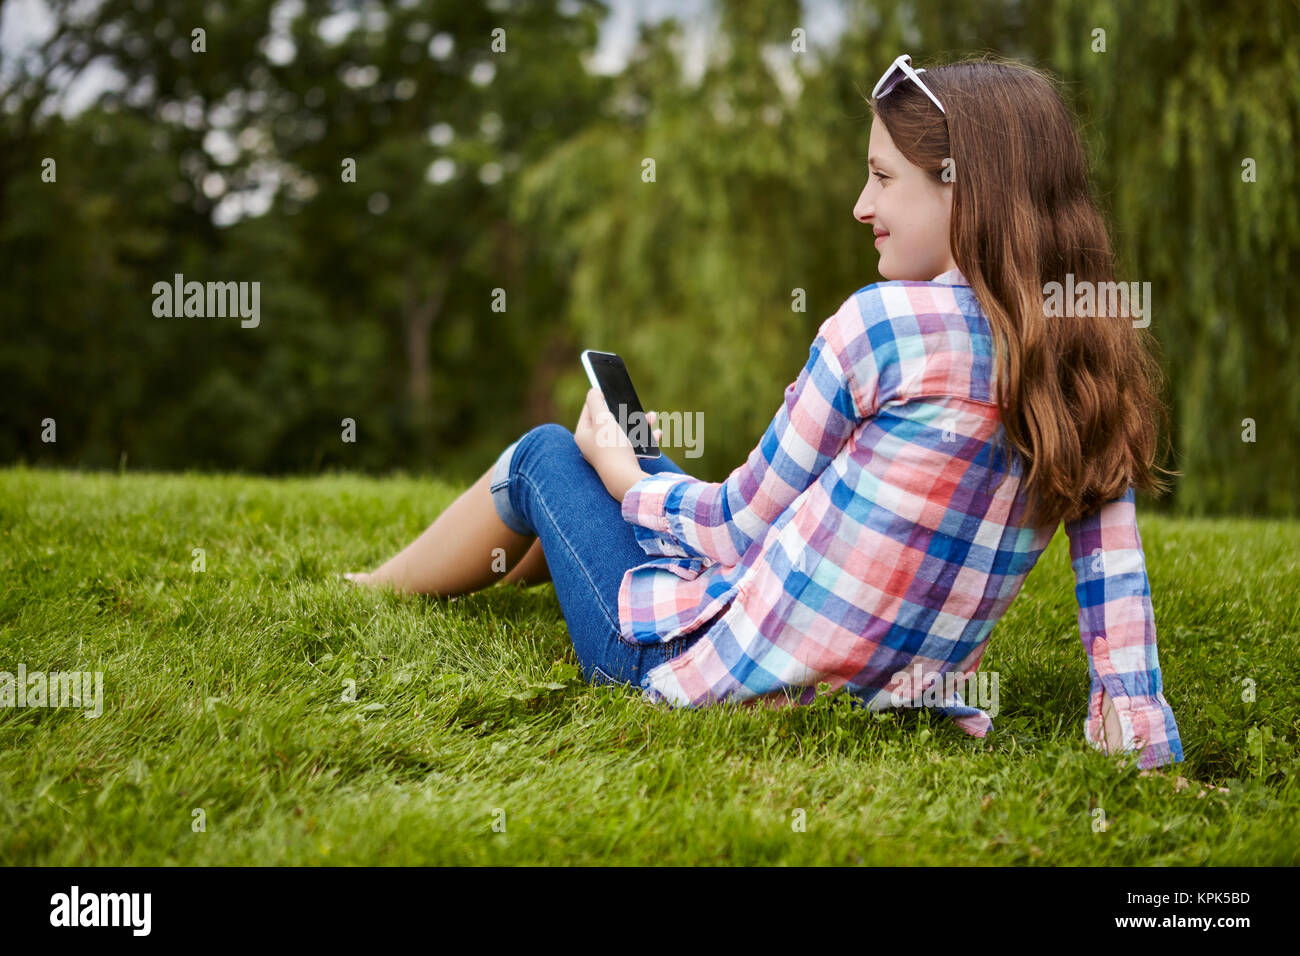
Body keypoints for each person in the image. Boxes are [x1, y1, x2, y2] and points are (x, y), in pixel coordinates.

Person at [346, 54, 1184, 771]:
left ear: (973, 194)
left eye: (884, 179)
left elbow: (735, 526)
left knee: (546, 455)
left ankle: (370, 588)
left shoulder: (881, 326)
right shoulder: (1086, 359)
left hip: (693, 675)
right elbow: (1115, 585)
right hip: (890, 703)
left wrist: (625, 480)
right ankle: (536, 559)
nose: (861, 206)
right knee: (628, 468)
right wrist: (1146, 750)